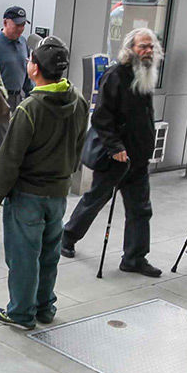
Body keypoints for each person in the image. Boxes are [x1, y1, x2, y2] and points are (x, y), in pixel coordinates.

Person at [0, 37, 85, 330]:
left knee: (24, 256)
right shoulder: (78, 101)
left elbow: (10, 158)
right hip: (58, 193)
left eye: (30, 60)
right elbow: (79, 144)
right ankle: (45, 307)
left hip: (27, 195)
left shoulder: (29, 108)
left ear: (35, 69)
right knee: (49, 254)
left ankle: (20, 313)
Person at [61, 28, 162, 276]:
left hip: (138, 157)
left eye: (151, 46)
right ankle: (67, 237)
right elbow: (101, 117)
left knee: (141, 209)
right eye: (143, 46)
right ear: (130, 49)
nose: (148, 51)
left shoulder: (146, 75)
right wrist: (115, 146)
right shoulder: (115, 75)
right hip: (115, 157)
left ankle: (134, 258)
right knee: (95, 200)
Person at [0, 7, 33, 185]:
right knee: (1, 142)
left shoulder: (23, 42)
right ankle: (0, 182)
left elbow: (25, 73)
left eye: (23, 25)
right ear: (5, 22)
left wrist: (31, 93)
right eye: (17, 25)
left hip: (18, 97)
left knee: (14, 140)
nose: (21, 29)